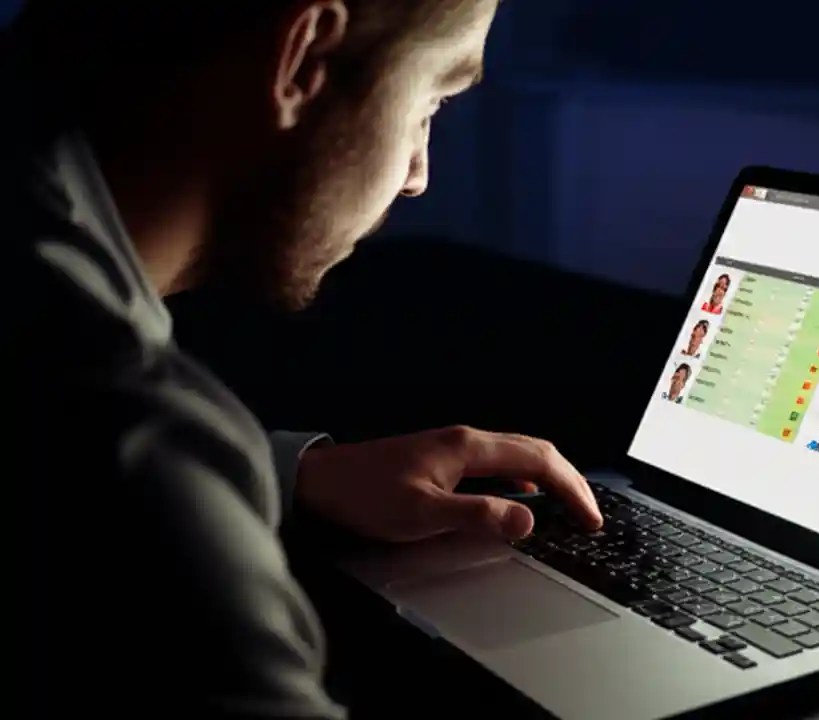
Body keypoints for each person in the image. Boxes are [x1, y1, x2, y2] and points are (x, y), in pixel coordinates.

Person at [4, 2, 604, 717]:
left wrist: (292, 476)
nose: (417, 175)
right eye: (430, 101)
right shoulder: (124, 440)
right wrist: (196, 481)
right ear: (303, 60)